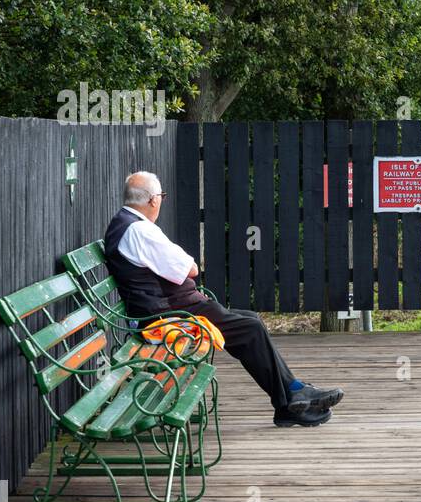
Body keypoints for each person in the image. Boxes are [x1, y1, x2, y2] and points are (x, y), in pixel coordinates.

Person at [103, 171, 343, 428]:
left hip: (171, 306)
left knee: (250, 320)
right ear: (153, 200)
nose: (162, 201)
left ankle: (291, 394)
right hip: (168, 315)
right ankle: (289, 400)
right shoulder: (140, 230)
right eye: (162, 196)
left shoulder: (126, 224)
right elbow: (190, 268)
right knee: (250, 328)